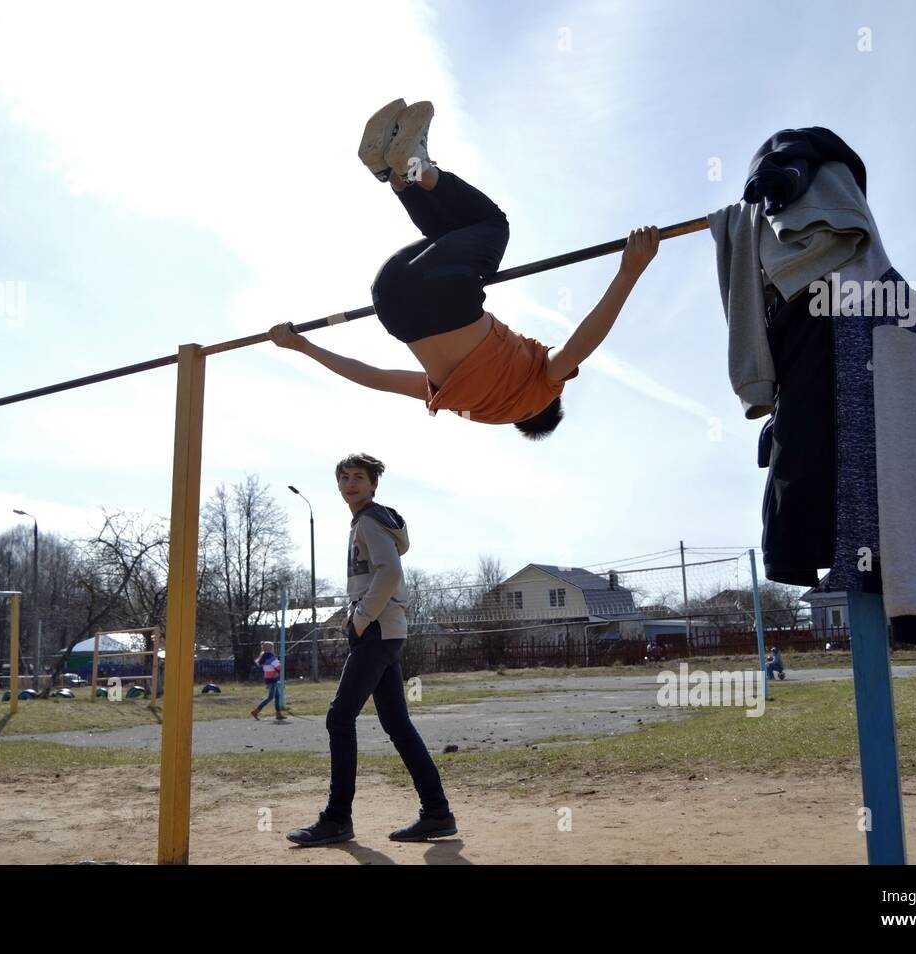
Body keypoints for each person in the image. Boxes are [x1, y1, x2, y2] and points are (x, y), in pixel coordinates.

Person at [270, 98, 660, 440]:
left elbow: (579, 346)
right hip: (391, 293)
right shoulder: (458, 401)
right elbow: (375, 378)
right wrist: (301, 345)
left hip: (448, 295)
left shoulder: (543, 384)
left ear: (551, 400)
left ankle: (416, 167)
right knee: (453, 235)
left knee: (493, 225)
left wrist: (629, 272)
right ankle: (394, 174)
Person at [286, 453, 454, 846]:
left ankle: (337, 819)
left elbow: (390, 571)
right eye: (343, 478)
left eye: (358, 477)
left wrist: (360, 618)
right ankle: (437, 812)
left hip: (376, 629)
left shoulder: (368, 520)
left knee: (339, 719)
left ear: (373, 484)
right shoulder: (372, 520)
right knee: (396, 723)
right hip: (387, 630)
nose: (349, 484)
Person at [251, 641, 287, 720]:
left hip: (268, 678)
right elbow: (279, 667)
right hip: (272, 679)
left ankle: (278, 714)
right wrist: (279, 664)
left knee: (277, 696)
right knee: (270, 697)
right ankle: (256, 711)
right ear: (270, 649)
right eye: (273, 647)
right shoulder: (271, 657)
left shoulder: (264, 657)